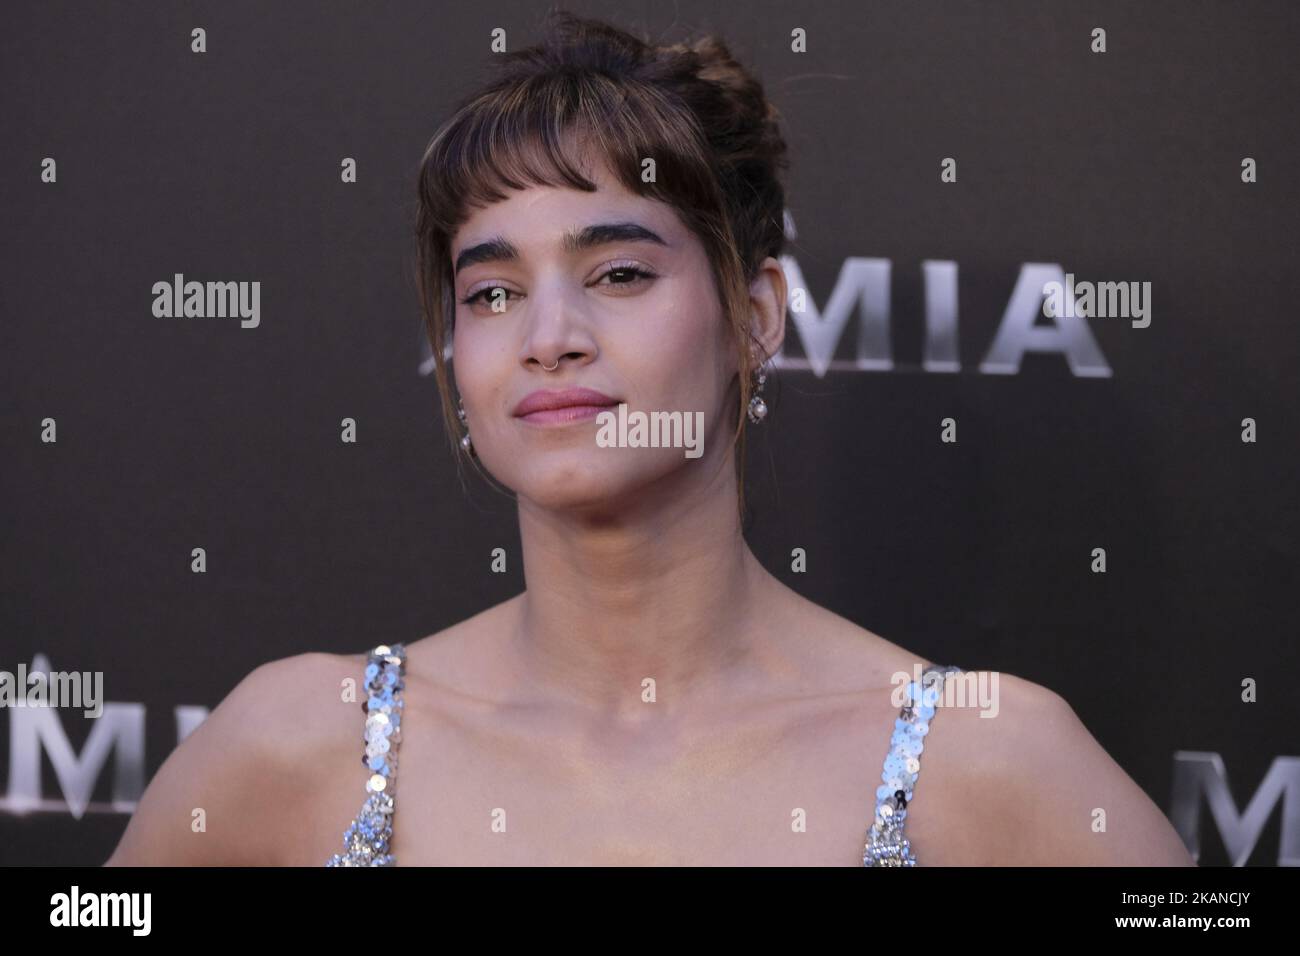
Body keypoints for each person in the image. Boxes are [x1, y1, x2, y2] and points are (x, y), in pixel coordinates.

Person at [106, 10, 1194, 867]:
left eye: (618, 273)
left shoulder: (987, 758)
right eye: (490, 292)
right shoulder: (302, 741)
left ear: (756, 312)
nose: (548, 338)